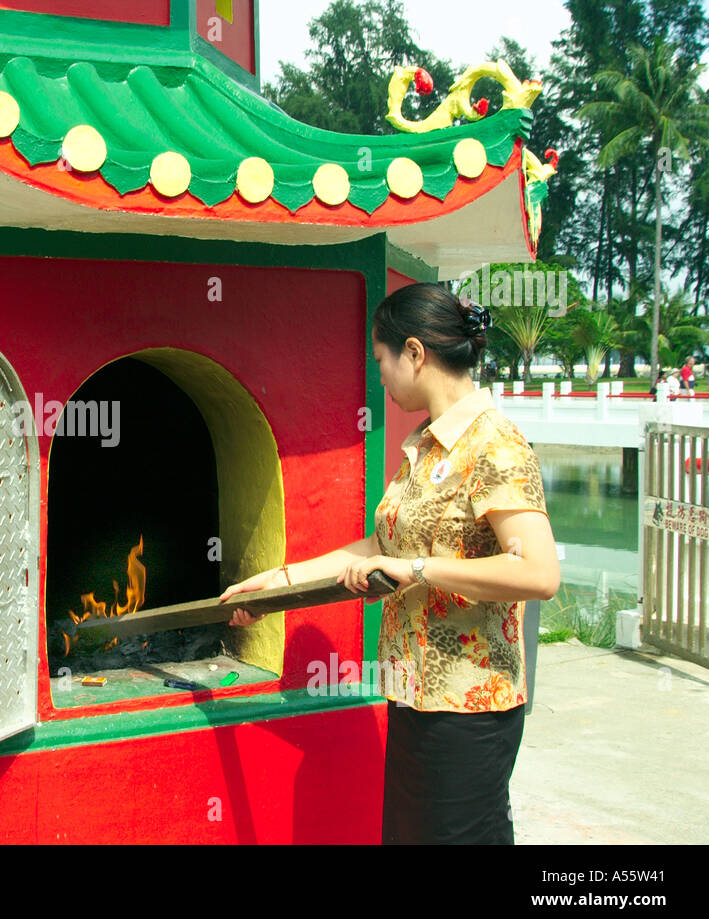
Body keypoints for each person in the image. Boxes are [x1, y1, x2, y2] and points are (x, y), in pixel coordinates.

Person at [219, 282, 558, 845]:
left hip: (469, 710)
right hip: (415, 697)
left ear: (415, 353)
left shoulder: (493, 444)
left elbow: (538, 574)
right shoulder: (426, 448)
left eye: (381, 360)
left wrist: (421, 571)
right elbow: (382, 549)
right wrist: (273, 584)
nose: (379, 376)